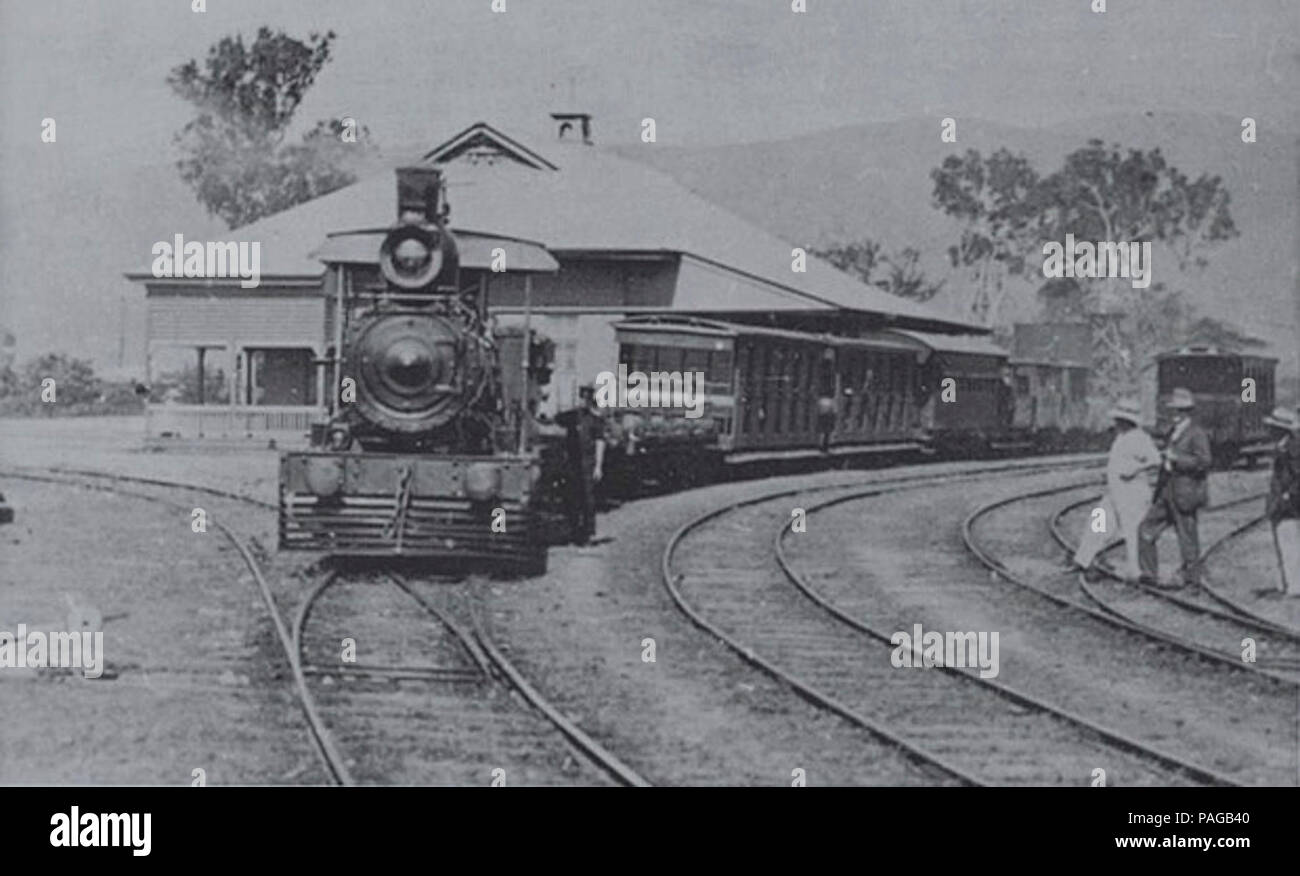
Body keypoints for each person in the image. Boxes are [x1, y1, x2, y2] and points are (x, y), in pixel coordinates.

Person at [1071, 398, 1160, 581]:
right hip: (1115, 492)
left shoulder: (1140, 438)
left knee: (1132, 530)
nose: (1116, 422)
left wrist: (1134, 470)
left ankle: (1137, 572)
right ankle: (1083, 560)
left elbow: (1156, 460)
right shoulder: (1121, 437)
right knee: (1098, 521)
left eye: (1119, 419)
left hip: (1133, 493)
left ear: (1127, 421)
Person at [1138, 387, 1212, 589]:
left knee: (1187, 539)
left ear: (1186, 412)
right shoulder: (1173, 431)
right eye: (1174, 410)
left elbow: (1204, 462)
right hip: (1166, 491)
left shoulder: (1197, 433)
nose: (1174, 415)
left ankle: (1193, 582)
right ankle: (1148, 575)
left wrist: (1177, 459)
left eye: (1178, 411)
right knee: (1145, 529)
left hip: (1185, 494)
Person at [555, 383, 609, 545]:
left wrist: (598, 466)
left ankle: (588, 533)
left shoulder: (595, 419)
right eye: (582, 396)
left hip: (588, 463)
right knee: (572, 498)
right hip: (572, 463)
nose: (584, 400)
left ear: (591, 399)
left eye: (587, 397)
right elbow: (557, 420)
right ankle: (574, 532)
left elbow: (600, 443)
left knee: (588, 500)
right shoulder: (572, 417)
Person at [1263, 406, 1300, 597]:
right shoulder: (1284, 445)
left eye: (1272, 427)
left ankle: (1293, 586)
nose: (1269, 431)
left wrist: (1288, 495)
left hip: (1290, 505)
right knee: (1285, 542)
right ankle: (1286, 584)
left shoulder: (1292, 447)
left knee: (1289, 542)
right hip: (1284, 502)